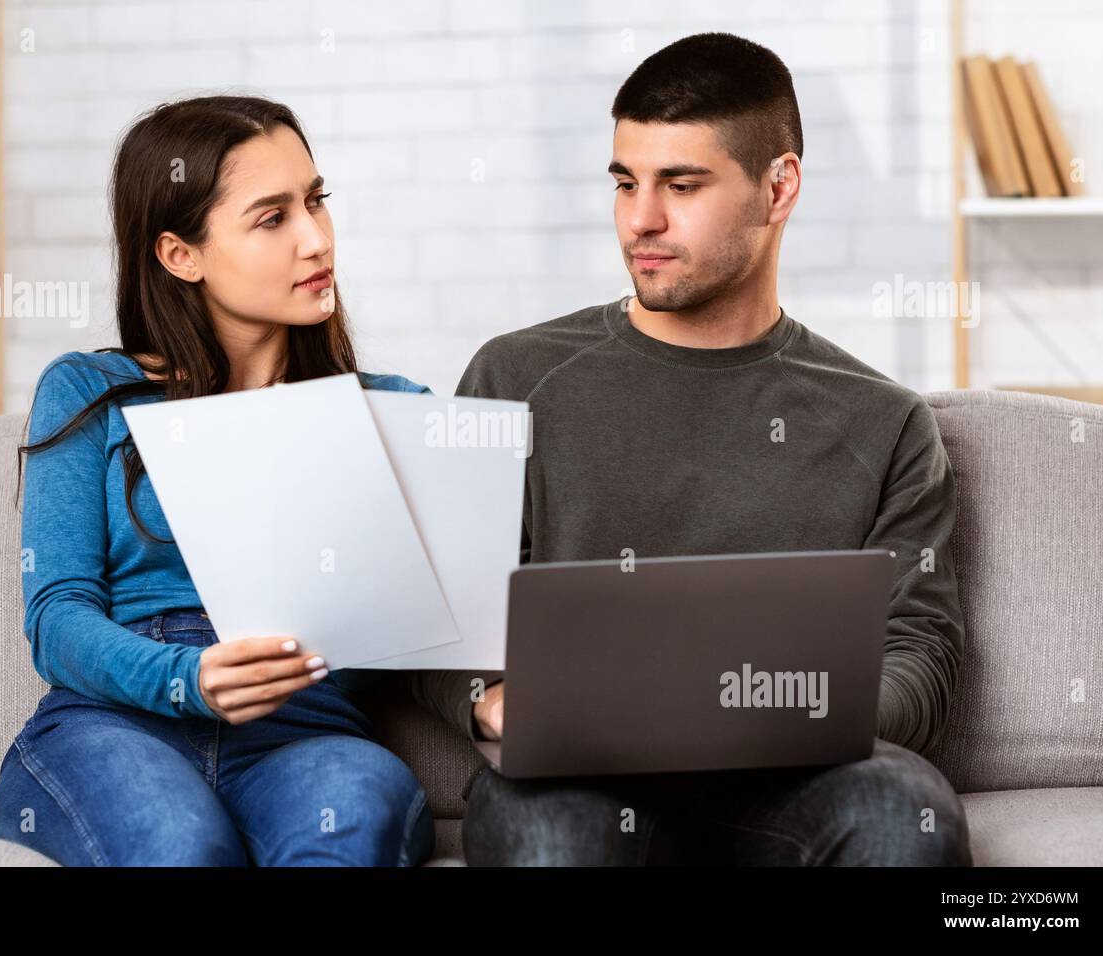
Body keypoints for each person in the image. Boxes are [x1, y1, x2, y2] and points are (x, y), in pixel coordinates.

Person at [409, 33, 972, 866]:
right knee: (553, 835)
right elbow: (432, 614)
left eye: (681, 184)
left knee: (903, 815)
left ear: (778, 188)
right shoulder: (514, 376)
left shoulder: (882, 422)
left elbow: (921, 656)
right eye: (625, 183)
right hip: (579, 781)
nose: (642, 218)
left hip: (802, 782)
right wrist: (491, 699)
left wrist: (774, 712)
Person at [0, 95, 435, 867]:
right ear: (179, 254)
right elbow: (56, 618)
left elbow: (429, 631)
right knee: (181, 847)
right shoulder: (91, 393)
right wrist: (187, 678)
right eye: (273, 218)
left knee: (352, 821)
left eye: (316, 201)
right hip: (116, 723)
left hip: (304, 728)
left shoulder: (395, 413)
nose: (316, 238)